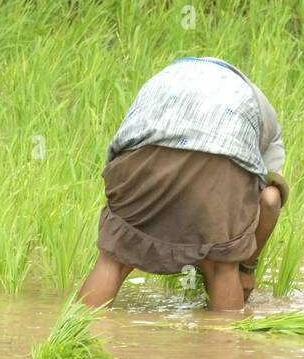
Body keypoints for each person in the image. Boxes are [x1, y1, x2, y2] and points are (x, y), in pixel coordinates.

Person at [78, 57, 288, 311]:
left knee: (114, 258)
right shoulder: (258, 107)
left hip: (142, 159)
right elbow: (269, 201)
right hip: (223, 164)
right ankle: (226, 348)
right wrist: (245, 265)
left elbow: (120, 150)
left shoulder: (164, 78)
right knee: (222, 266)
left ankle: (76, 338)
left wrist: (123, 218)